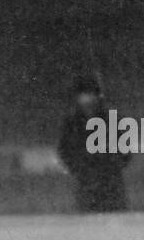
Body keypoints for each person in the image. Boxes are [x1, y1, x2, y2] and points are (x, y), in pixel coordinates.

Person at [56, 75, 130, 211]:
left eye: (90, 94)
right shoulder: (71, 122)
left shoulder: (112, 120)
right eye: (84, 94)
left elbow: (125, 152)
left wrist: (109, 168)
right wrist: (80, 168)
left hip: (111, 185)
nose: (87, 99)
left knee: (115, 222)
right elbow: (64, 150)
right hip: (86, 184)